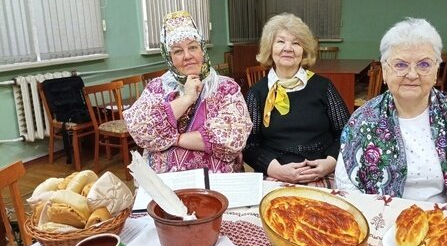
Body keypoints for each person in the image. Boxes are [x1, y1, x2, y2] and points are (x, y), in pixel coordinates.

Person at [335, 18, 447, 209]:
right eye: (401, 65)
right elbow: (347, 189)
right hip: (377, 221)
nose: (412, 74)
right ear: (385, 71)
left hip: (441, 227)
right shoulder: (362, 120)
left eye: (424, 65)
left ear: (437, 70)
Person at [123, 10, 252, 173]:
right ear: (169, 56)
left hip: (215, 183)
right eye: (178, 51)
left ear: (202, 50)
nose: (187, 56)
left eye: (192, 47)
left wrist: (174, 138)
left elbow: (232, 138)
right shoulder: (157, 87)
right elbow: (141, 129)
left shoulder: (226, 88)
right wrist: (187, 99)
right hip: (165, 185)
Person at [243, 13, 350, 186]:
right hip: (277, 176)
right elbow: (249, 146)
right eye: (280, 41)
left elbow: (347, 133)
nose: (288, 48)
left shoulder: (324, 87)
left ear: (304, 50)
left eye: (296, 43)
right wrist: (276, 170)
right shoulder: (257, 93)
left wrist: (330, 163)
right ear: (269, 48)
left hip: (324, 174)